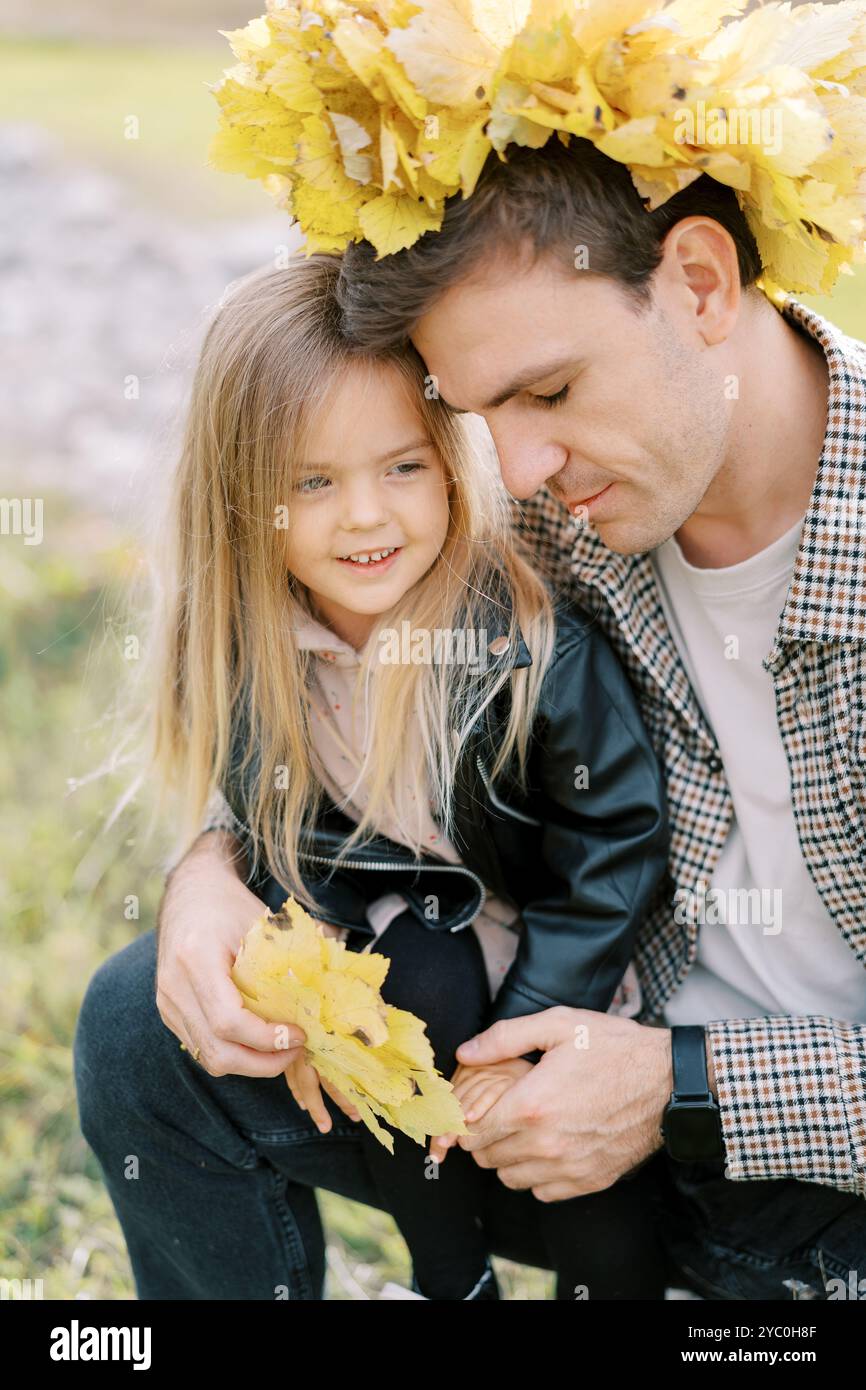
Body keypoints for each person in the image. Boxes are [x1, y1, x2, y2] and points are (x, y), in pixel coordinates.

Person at [73, 252, 670, 1300]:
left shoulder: (521, 645)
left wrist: (522, 1030)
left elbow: (614, 840)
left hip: (554, 970)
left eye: (400, 467)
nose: (364, 517)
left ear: (448, 461)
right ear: (242, 497)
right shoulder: (254, 652)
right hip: (413, 951)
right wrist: (294, 965)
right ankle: (450, 1276)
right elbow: (285, 834)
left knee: (595, 1205)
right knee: (399, 996)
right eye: (311, 481)